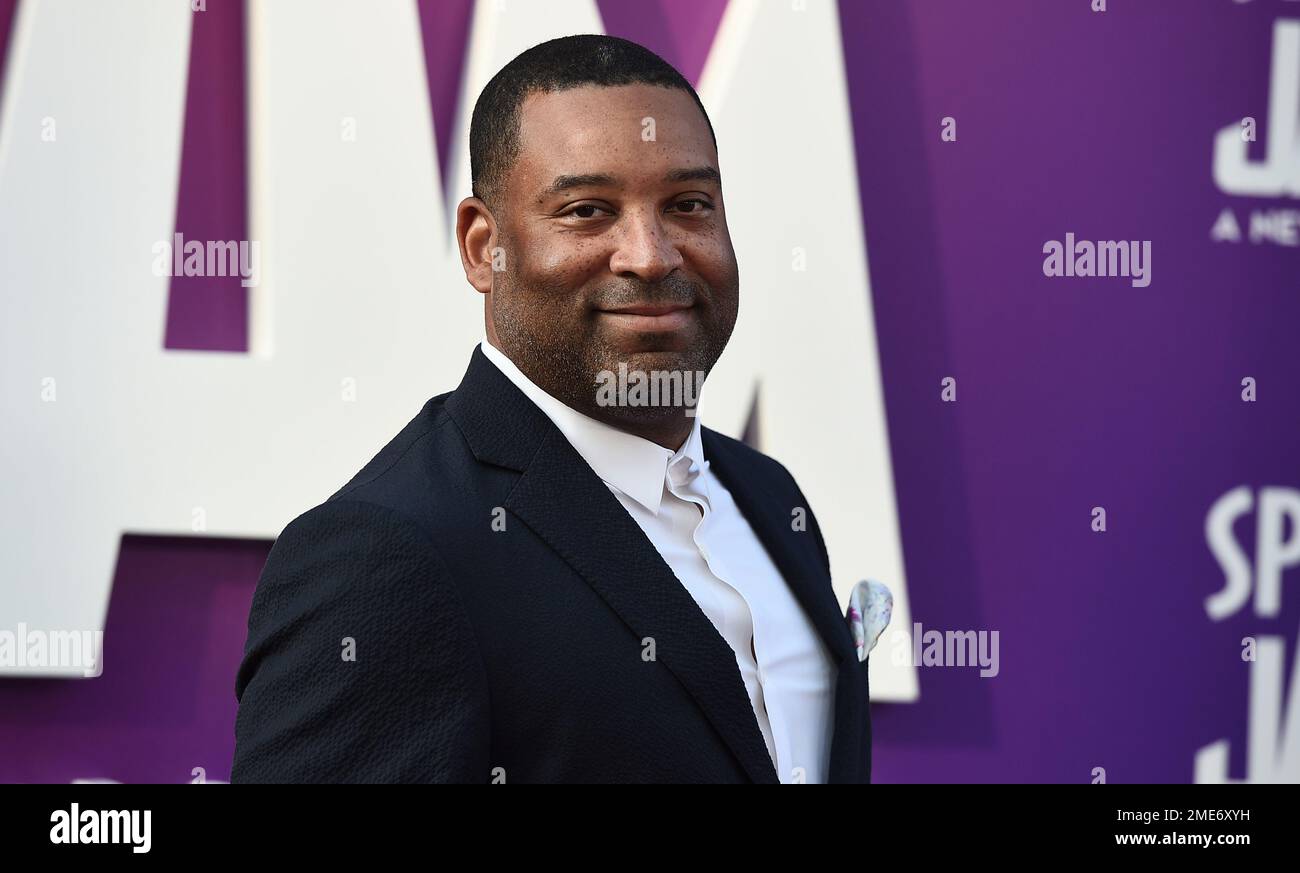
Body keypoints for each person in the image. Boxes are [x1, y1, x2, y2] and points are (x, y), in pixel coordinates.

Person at [232, 34, 870, 784]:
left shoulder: (768, 496)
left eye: (688, 205)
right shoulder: (384, 554)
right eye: (588, 210)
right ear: (483, 247)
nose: (651, 254)